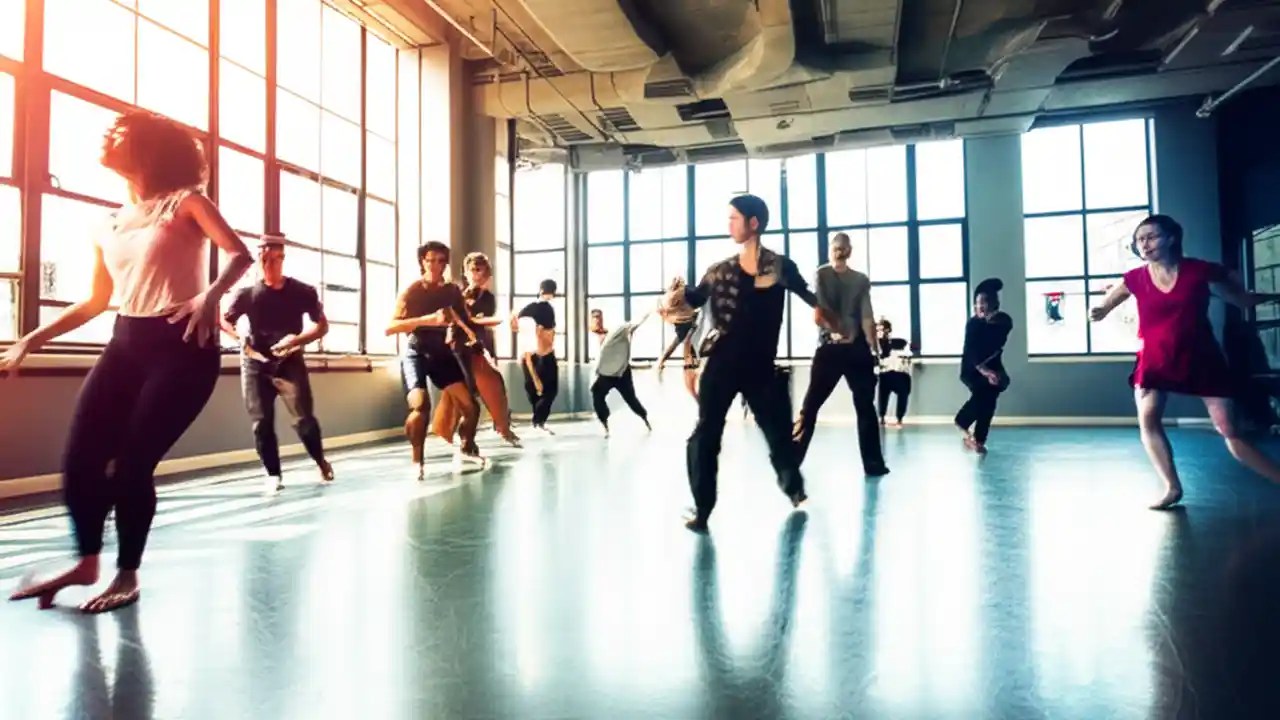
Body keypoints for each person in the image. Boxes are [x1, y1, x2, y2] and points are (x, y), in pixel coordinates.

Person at [3, 110, 252, 613]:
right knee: (79, 459)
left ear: (149, 147)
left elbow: (239, 254)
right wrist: (32, 337)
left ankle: (126, 574)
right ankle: (86, 561)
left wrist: (210, 297)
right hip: (126, 342)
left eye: (120, 131)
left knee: (134, 465)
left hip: (182, 347)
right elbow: (96, 302)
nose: (107, 135)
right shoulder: (108, 221)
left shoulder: (187, 203)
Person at [1090, 214, 1280, 509]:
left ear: (1171, 238)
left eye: (1151, 236)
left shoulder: (1199, 271)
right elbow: (1108, 302)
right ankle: (1172, 487)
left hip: (1202, 358)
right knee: (1148, 419)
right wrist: (1099, 310)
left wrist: (1258, 296)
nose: (1144, 243)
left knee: (1229, 430)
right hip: (1155, 359)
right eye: (1140, 239)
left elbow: (1237, 294)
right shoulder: (1135, 278)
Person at [669, 194, 829, 532]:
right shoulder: (720, 271)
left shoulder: (779, 267)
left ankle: (794, 488)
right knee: (705, 435)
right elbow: (693, 301)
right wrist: (674, 299)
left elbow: (807, 294)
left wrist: (823, 311)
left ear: (753, 223)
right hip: (722, 363)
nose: (729, 224)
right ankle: (703, 509)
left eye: (734, 218)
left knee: (778, 434)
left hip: (759, 366)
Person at [221, 235, 334, 494]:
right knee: (261, 422)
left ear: (282, 258)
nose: (268, 264)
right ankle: (273, 473)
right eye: (263, 259)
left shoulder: (303, 292)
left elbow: (322, 326)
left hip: (289, 362)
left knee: (304, 419)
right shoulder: (246, 295)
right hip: (255, 365)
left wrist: (297, 339)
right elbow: (224, 320)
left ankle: (319, 460)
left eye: (274, 258)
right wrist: (239, 338)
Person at [791, 232, 888, 475]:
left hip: (844, 349)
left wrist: (872, 347)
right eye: (838, 247)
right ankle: (792, 459)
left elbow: (864, 316)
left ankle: (792, 461)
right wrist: (866, 344)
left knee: (823, 406)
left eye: (842, 248)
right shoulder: (830, 275)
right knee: (816, 405)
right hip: (840, 348)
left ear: (845, 251)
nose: (840, 251)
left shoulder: (837, 276)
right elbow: (828, 312)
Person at [387, 242, 482, 478]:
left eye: (441, 261)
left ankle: (466, 447)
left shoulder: (452, 291)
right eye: (431, 260)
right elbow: (391, 327)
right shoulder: (412, 291)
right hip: (416, 352)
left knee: (471, 407)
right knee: (420, 406)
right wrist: (429, 320)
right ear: (422, 261)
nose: (436, 265)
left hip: (441, 353)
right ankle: (417, 462)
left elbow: (464, 320)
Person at [431, 251, 521, 448]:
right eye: (473, 269)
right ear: (466, 272)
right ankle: (463, 438)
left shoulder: (487, 297)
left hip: (476, 346)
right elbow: (456, 317)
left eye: (481, 270)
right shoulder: (455, 292)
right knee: (464, 392)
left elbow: (477, 321)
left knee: (493, 383)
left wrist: (501, 321)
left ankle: (503, 428)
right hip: (456, 347)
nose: (477, 274)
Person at [955, 278, 1013, 454]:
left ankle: (977, 438)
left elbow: (997, 334)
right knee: (986, 393)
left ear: (994, 304)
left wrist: (992, 373)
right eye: (977, 303)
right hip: (972, 369)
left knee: (993, 394)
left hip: (994, 366)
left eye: (984, 302)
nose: (980, 306)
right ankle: (963, 422)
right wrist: (985, 372)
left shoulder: (1003, 321)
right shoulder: (973, 323)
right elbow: (972, 352)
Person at [590, 309, 653, 436]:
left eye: (599, 317)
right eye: (595, 317)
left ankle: (645, 418)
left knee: (630, 398)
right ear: (591, 319)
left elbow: (631, 326)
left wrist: (647, 313)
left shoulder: (613, 333)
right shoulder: (591, 336)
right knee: (597, 394)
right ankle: (605, 423)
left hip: (622, 372)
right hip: (605, 374)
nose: (598, 320)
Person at [511, 279, 559, 434]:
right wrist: (535, 378)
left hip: (544, 354)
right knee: (535, 389)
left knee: (548, 390)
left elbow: (549, 336)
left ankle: (538, 421)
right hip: (533, 355)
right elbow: (527, 349)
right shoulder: (531, 315)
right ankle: (538, 422)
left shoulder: (544, 310)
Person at [656, 276, 701, 401]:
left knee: (684, 340)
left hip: (687, 323)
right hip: (684, 323)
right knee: (682, 340)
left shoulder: (681, 294)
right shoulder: (672, 297)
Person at [875, 318, 913, 428]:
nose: (880, 332)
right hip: (885, 373)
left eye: (882, 330)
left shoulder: (899, 342)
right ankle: (882, 417)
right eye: (878, 330)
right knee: (883, 396)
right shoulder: (878, 344)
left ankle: (899, 419)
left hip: (900, 373)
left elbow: (907, 352)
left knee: (903, 395)